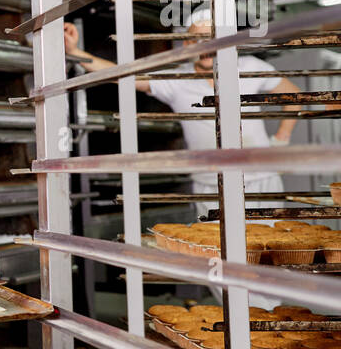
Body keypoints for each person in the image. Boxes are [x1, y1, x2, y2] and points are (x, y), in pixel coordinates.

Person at [63, 14, 301, 219]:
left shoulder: (249, 67)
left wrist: (282, 139)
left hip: (262, 182)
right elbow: (124, 75)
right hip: (210, 187)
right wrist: (76, 51)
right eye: (196, 39)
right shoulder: (176, 80)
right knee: (219, 255)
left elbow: (293, 95)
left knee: (266, 251)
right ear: (188, 45)